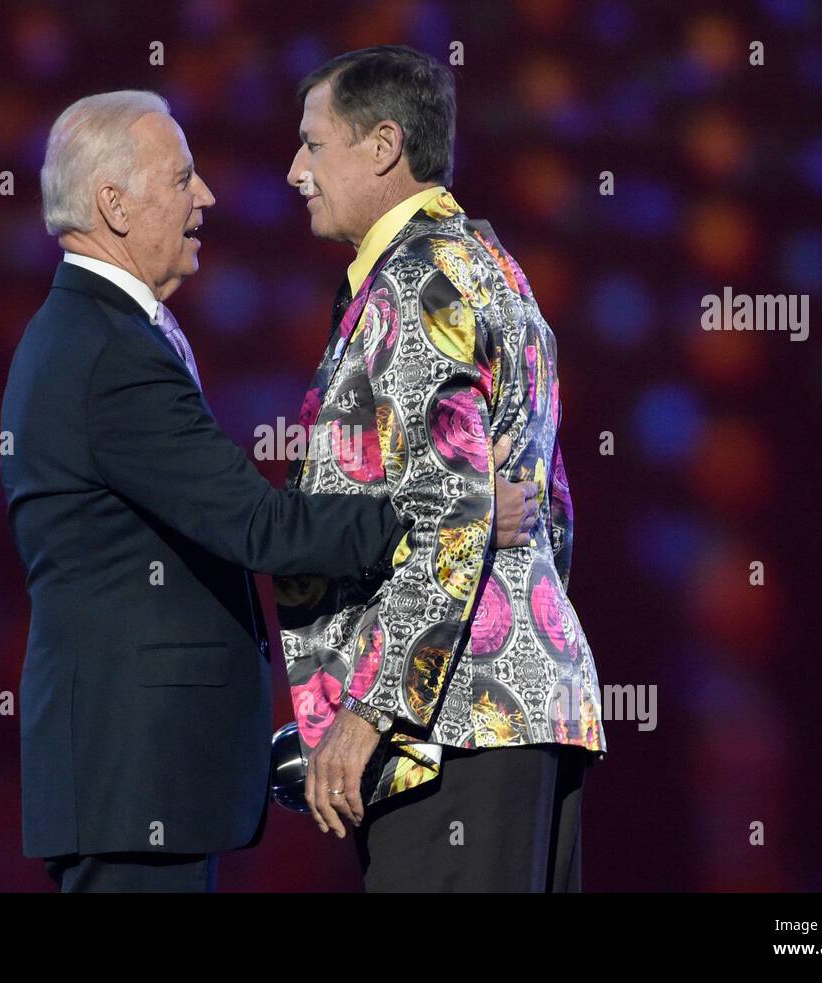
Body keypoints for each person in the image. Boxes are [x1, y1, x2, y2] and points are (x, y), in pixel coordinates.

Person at [0, 90, 539, 892]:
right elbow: (257, 526)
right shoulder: (103, 349)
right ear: (113, 203)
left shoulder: (100, 332)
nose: (206, 197)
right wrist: (449, 513)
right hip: (132, 776)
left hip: (142, 778)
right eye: (183, 178)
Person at [277, 46, 608, 892]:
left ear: (383, 145)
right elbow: (551, 511)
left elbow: (451, 516)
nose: (294, 172)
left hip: (452, 727)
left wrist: (367, 708)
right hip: (526, 708)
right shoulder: (492, 264)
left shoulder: (419, 282)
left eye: (314, 146)